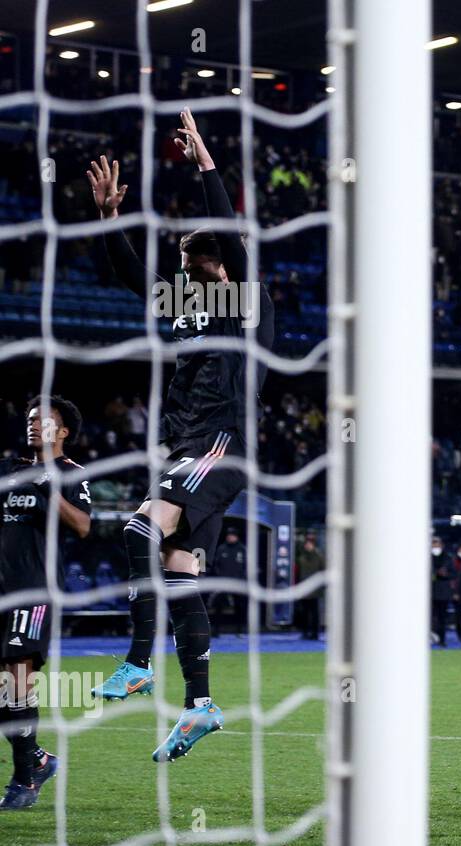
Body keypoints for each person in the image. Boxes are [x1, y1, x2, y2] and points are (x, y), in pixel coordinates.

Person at [87, 110, 276, 761]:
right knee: (177, 569)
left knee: (140, 528)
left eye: (189, 265)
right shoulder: (188, 310)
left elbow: (230, 235)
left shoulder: (245, 304)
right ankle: (200, 705)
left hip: (221, 446)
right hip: (189, 450)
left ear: (215, 269)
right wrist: (110, 219)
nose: (180, 275)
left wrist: (204, 164)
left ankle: (138, 661)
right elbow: (131, 278)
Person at [0, 397, 91, 809]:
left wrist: (46, 488)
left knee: (17, 680)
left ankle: (25, 778)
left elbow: (83, 525)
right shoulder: (10, 470)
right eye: (31, 419)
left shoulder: (72, 475)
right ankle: (36, 759)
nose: (34, 425)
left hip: (34, 590)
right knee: (6, 693)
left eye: (45, 420)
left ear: (64, 432)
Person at [208, 528, 248, 637]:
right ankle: (216, 630)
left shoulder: (242, 549)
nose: (230, 537)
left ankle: (239, 630)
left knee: (240, 607)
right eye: (228, 535)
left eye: (232, 535)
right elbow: (216, 565)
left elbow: (246, 567)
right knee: (218, 606)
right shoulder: (222, 548)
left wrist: (242, 579)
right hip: (223, 582)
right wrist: (219, 577)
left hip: (238, 583)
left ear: (237, 536)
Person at [295, 532, 324, 641]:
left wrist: (320, 587)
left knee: (314, 613)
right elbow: (298, 574)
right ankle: (305, 632)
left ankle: (315, 633)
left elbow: (323, 572)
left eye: (310, 543)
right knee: (305, 612)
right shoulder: (301, 558)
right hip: (304, 589)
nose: (308, 545)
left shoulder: (319, 557)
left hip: (315, 590)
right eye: (307, 543)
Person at [431, 535, 454, 646]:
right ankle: (430, 638)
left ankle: (442, 639)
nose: (435, 546)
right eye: (433, 544)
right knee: (429, 617)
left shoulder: (448, 558)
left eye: (437, 544)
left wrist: (446, 574)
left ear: (442, 545)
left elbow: (454, 574)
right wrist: (435, 573)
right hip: (430, 593)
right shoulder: (426, 558)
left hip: (443, 593)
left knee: (442, 618)